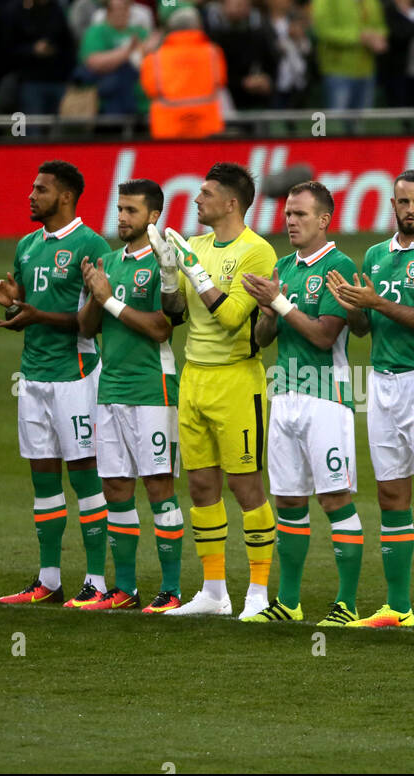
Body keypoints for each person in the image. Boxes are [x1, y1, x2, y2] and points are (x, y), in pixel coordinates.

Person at [327, 169, 414, 632]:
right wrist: (354, 310)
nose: (410, 210)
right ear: (392, 204)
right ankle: (398, 606)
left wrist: (377, 303)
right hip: (382, 385)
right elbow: (366, 328)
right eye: (402, 202)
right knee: (390, 493)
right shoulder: (375, 255)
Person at [148, 162, 277, 619]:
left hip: (237, 381)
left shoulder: (256, 252)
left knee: (246, 486)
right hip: (193, 377)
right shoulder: (195, 244)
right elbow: (176, 314)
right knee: (201, 485)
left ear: (231, 203)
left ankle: (258, 593)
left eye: (205, 193)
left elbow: (232, 318)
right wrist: (169, 276)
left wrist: (196, 272)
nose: (197, 200)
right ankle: (213, 592)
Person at [240, 181, 368, 625]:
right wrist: (269, 312)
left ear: (324, 220)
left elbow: (323, 334)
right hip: (286, 396)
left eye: (299, 214)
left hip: (325, 399)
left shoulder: (339, 266)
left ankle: (346, 605)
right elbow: (261, 338)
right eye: (288, 214)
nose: (290, 221)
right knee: (290, 501)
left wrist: (275, 299)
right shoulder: (282, 266)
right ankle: (288, 602)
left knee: (334, 498)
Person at [0, 161, 112, 609]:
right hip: (34, 378)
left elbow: (88, 323)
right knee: (43, 480)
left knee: (85, 480)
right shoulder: (26, 245)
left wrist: (37, 314)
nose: (30, 195)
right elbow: (25, 300)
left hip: (75, 377)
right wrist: (15, 302)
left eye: (40, 189)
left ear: (64, 197)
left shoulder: (91, 245)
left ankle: (96, 582)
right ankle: (48, 580)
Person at [76, 179, 186, 614]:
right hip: (111, 389)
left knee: (159, 486)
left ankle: (172, 589)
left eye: (131, 211)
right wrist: (92, 293)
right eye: (119, 209)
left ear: (153, 217)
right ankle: (122, 588)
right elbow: (85, 329)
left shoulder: (164, 263)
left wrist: (110, 301)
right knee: (116, 487)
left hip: (152, 390)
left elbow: (163, 327)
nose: (121, 217)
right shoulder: (106, 262)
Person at [139, 5, 227, 139]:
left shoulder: (155, 57)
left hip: (167, 128)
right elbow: (220, 82)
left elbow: (149, 89)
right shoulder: (213, 52)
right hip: (207, 127)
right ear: (198, 26)